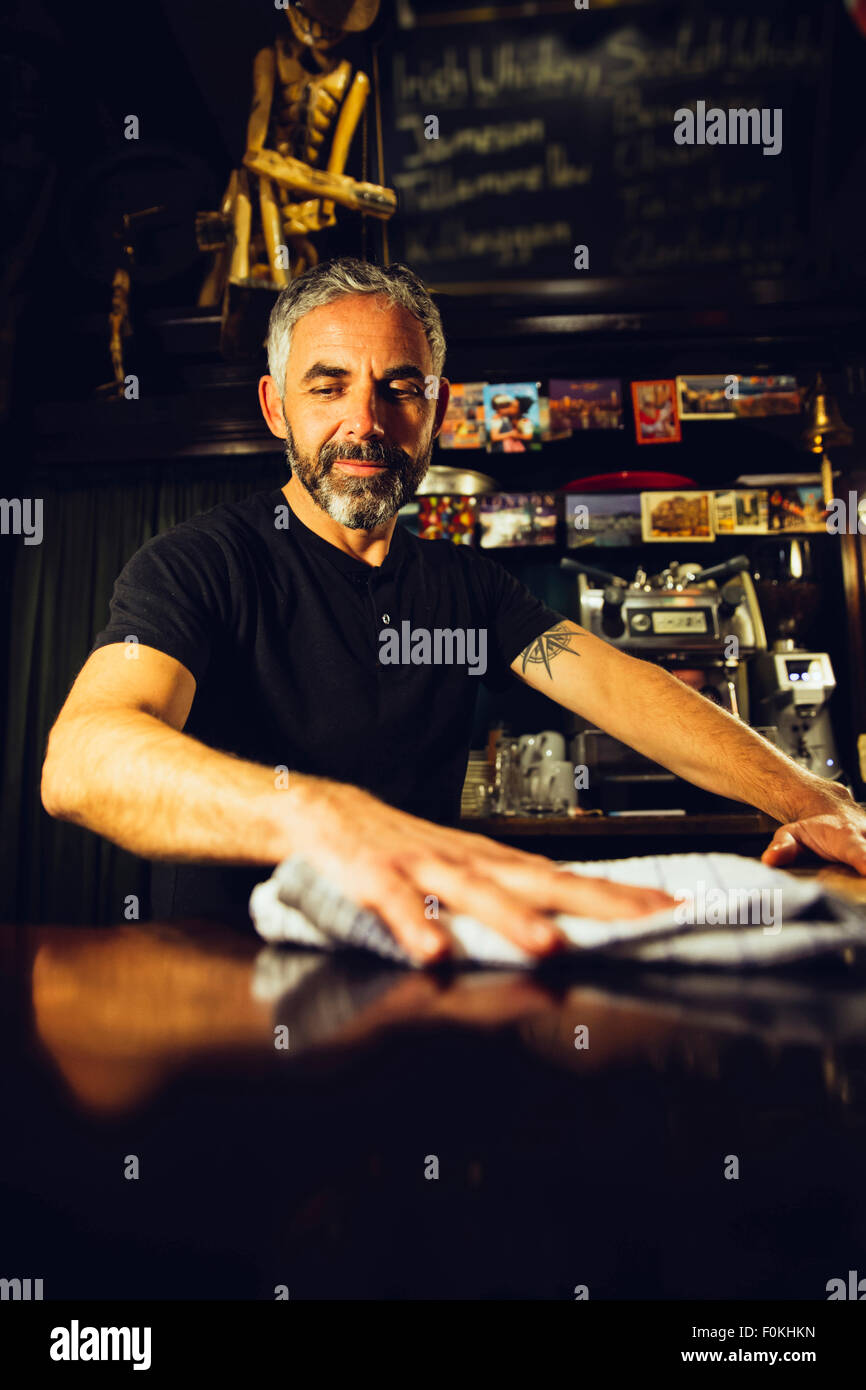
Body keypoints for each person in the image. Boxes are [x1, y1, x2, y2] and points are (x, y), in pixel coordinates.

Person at [42, 258, 866, 964]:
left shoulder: (470, 592)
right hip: (223, 992)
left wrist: (810, 798)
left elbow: (623, 690)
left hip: (414, 977)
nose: (364, 424)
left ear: (436, 411)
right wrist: (325, 815)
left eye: (399, 389)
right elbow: (84, 758)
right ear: (274, 407)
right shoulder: (199, 566)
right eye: (327, 387)